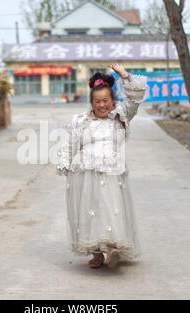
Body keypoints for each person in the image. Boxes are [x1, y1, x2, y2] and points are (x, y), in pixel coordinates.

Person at [56, 64, 147, 268]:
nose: (102, 105)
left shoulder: (120, 116)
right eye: (97, 101)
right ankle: (96, 253)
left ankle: (113, 248)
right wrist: (65, 162)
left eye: (106, 100)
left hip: (112, 172)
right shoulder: (81, 121)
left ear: (112, 100)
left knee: (111, 209)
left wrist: (124, 76)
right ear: (91, 102)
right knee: (90, 211)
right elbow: (71, 144)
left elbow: (135, 99)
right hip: (85, 173)